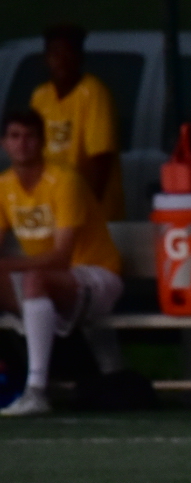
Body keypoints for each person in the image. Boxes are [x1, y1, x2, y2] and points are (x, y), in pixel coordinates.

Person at [0, 109, 124, 416]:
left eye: (30, 137)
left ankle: (36, 392)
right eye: (15, 136)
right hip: (50, 282)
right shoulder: (3, 185)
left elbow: (62, 257)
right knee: (30, 279)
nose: (22, 144)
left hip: (97, 276)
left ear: (42, 142)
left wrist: (9, 266)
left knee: (35, 280)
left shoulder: (64, 180)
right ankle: (13, 377)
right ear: (4, 144)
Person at [32, 23, 124, 221]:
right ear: (46, 59)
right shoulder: (40, 97)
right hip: (56, 210)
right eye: (55, 54)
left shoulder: (93, 92)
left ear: (80, 57)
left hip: (90, 213)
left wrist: (85, 209)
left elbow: (101, 159)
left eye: (69, 53)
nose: (62, 61)